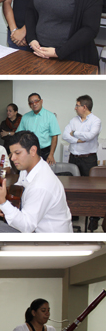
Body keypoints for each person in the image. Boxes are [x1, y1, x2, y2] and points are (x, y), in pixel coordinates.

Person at [0, 131, 72, 233]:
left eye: (17, 153)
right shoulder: (28, 168)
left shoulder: (41, 185)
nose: (12, 158)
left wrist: (2, 202)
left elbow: (27, 227)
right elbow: (19, 187)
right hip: (36, 227)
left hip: (51, 242)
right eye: (11, 153)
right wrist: (5, 201)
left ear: (32, 151)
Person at [63, 95, 101, 231]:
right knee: (71, 188)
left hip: (88, 159)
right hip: (73, 158)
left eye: (77, 105)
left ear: (84, 107)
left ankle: (93, 218)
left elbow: (91, 136)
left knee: (91, 190)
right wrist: (77, 139)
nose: (75, 107)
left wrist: (75, 133)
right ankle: (73, 215)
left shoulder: (96, 121)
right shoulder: (73, 120)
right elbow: (65, 135)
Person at [19, 93, 60, 163]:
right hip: (28, 151)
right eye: (31, 102)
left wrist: (51, 154)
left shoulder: (50, 116)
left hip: (44, 152)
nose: (34, 104)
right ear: (29, 105)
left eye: (36, 101)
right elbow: (19, 135)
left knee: (43, 173)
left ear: (41, 101)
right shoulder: (25, 117)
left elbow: (54, 136)